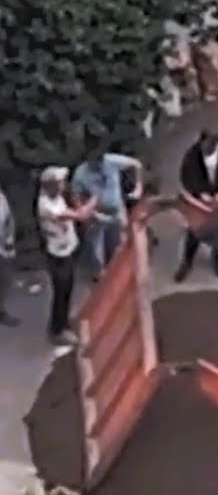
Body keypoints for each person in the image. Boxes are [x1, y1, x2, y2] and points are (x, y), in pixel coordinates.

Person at [36, 167, 97, 346]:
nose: (64, 185)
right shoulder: (47, 206)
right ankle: (57, 330)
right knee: (61, 292)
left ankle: (63, 322)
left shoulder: (55, 197)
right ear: (52, 185)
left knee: (68, 289)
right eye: (60, 182)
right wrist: (95, 199)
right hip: (58, 256)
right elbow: (80, 215)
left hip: (67, 249)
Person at [176, 130, 218, 282]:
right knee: (194, 231)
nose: (204, 150)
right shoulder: (193, 155)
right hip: (200, 200)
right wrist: (200, 192)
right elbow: (186, 176)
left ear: (216, 144)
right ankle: (187, 263)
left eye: (208, 148)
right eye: (203, 146)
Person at [71, 145, 144, 281]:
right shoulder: (81, 174)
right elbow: (76, 196)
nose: (100, 164)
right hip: (96, 214)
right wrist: (85, 212)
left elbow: (136, 164)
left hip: (116, 210)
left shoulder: (111, 161)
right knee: (96, 247)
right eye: (96, 161)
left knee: (120, 240)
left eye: (101, 160)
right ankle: (99, 275)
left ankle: (117, 268)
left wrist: (138, 186)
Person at [0, 184, 17, 326]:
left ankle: (1, 310)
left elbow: (9, 220)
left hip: (2, 246)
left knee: (5, 280)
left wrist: (9, 238)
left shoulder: (2, 198)